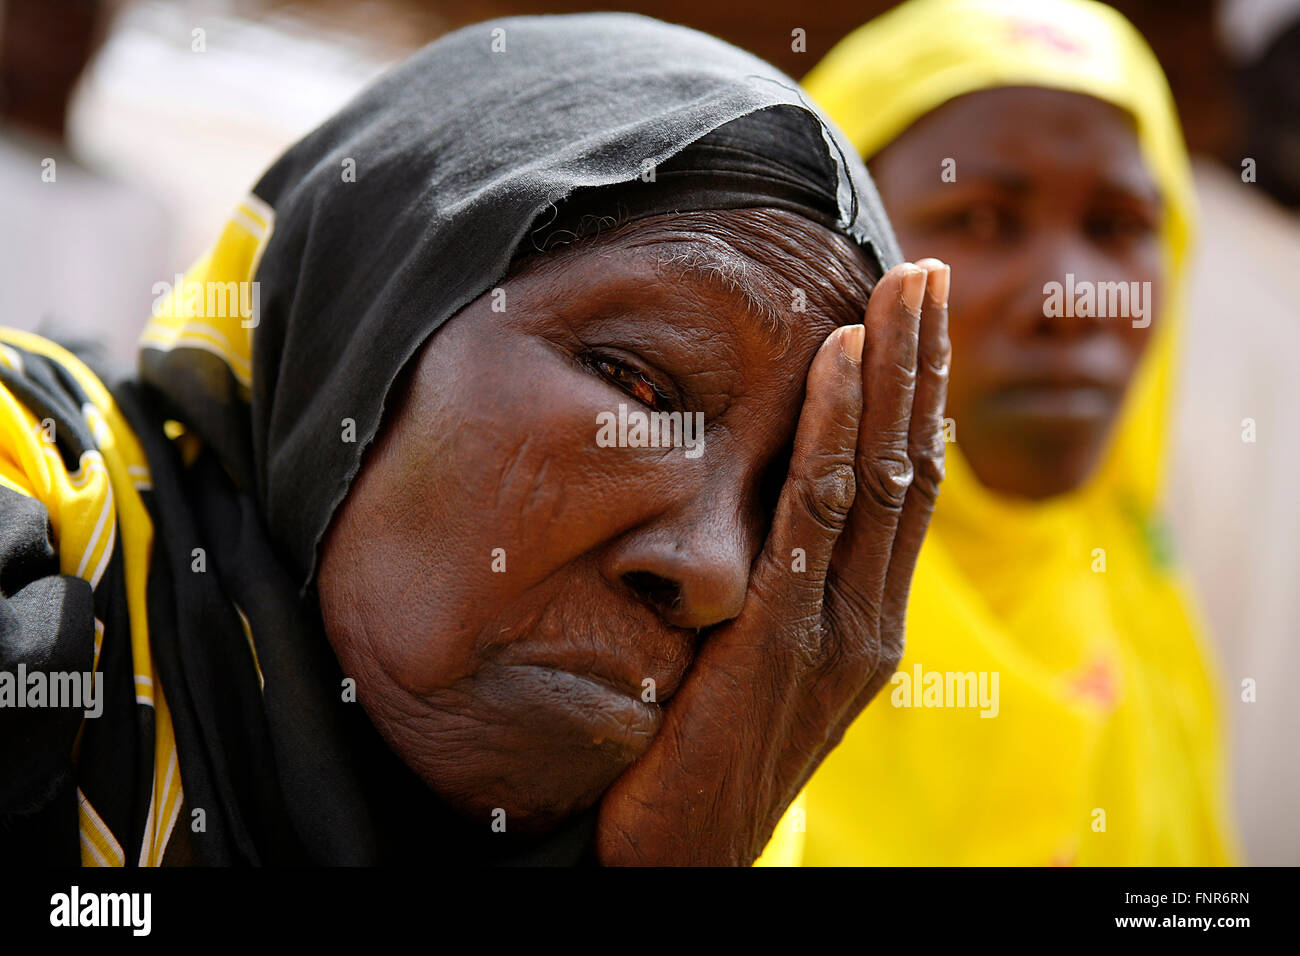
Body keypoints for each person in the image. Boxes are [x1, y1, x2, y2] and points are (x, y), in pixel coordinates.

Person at [0, 13, 949, 865]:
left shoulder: (729, 829)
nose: (712, 574)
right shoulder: (37, 517)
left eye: (782, 503)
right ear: (364, 314)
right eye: (641, 386)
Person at [794, 0, 1237, 864]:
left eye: (1118, 227)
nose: (1071, 299)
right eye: (980, 220)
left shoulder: (1134, 594)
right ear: (831, 253)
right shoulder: (737, 616)